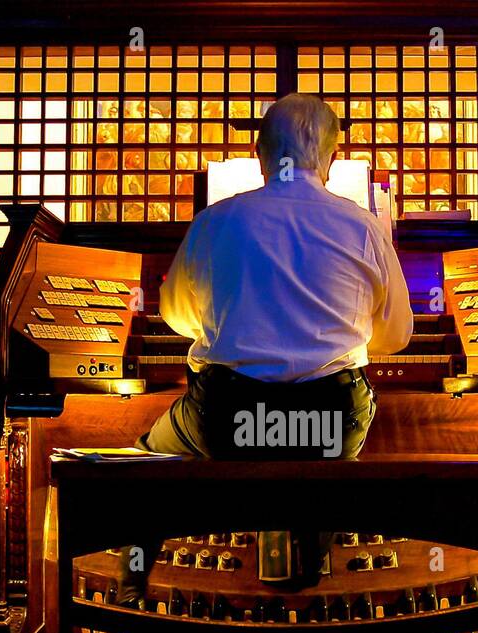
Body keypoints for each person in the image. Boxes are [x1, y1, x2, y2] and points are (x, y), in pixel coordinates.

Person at [117, 92, 413, 606]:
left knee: (146, 459)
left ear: (259, 153)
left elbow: (174, 314)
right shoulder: (364, 225)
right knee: (342, 433)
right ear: (332, 158)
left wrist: (233, 323)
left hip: (230, 419)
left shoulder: (216, 221)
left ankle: (131, 589)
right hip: (329, 419)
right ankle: (317, 571)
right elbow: (396, 337)